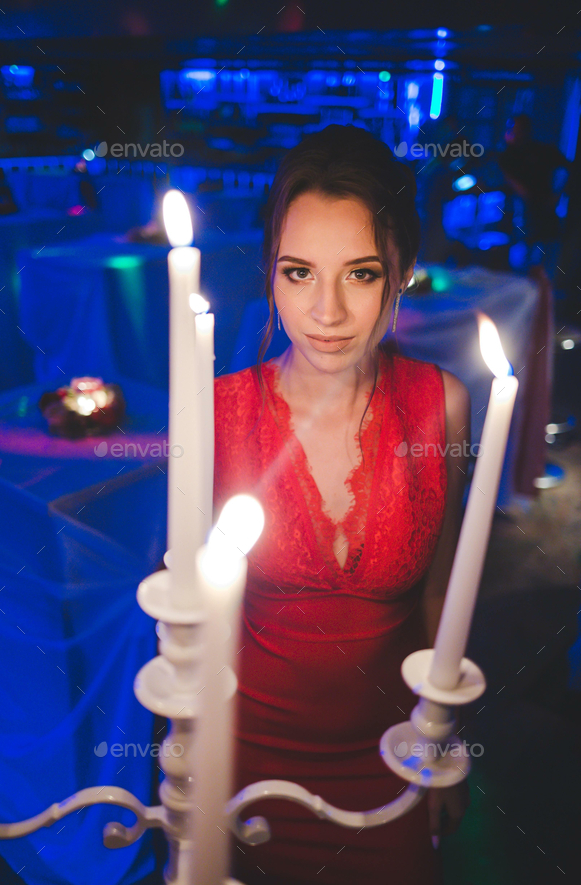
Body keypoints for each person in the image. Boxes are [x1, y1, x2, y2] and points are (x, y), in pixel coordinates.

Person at [213, 124, 471, 885]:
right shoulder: (218, 412)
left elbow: (441, 595)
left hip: (391, 762)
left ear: (403, 272)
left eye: (359, 273)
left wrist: (443, 741)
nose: (325, 309)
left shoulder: (440, 406)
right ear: (269, 273)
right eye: (299, 272)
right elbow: (195, 619)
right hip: (245, 768)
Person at [498, 113, 570, 277]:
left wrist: (557, 195)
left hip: (543, 214)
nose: (512, 134)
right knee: (522, 259)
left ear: (525, 131)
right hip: (520, 217)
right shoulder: (507, 157)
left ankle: (542, 289)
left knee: (545, 257)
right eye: (511, 130)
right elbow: (507, 179)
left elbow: (567, 168)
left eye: (517, 130)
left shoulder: (542, 151)